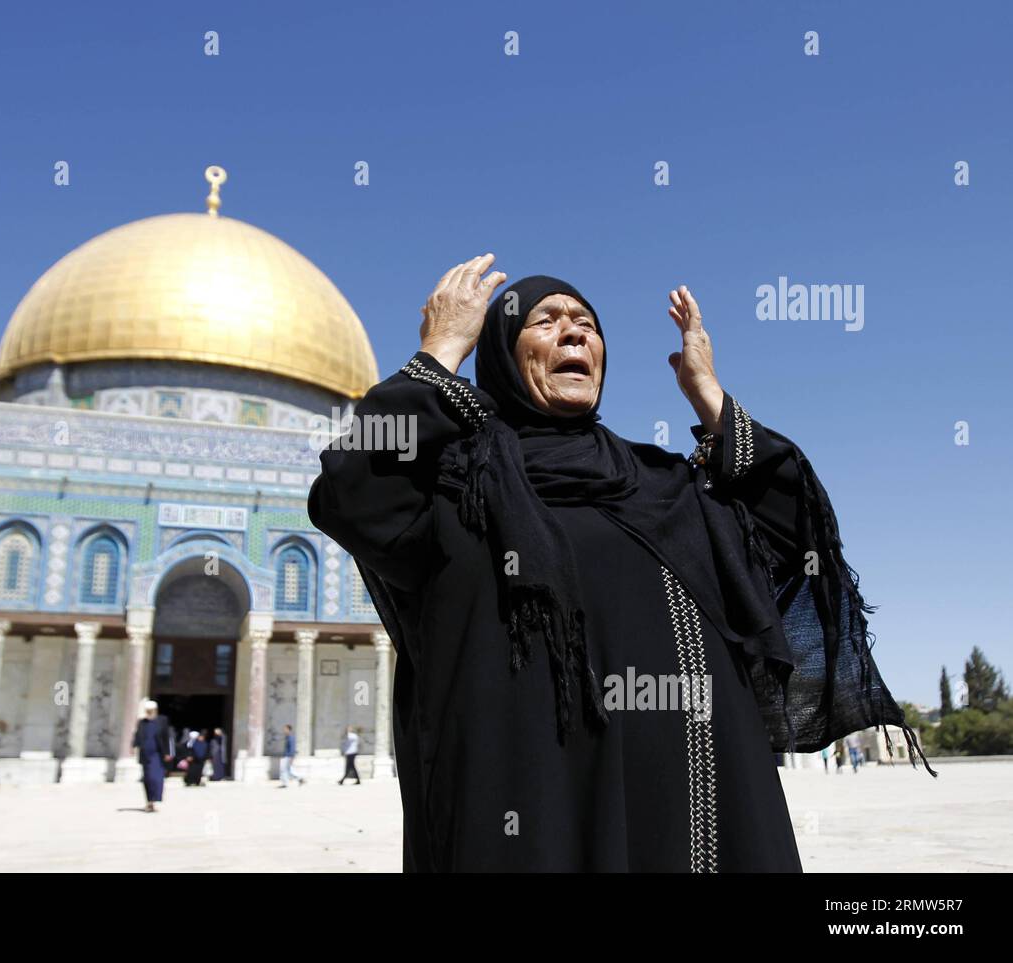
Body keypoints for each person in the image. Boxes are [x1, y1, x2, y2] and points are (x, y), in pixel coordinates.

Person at [308, 255, 935, 872]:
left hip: (695, 819)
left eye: (587, 322)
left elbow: (794, 520)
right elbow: (350, 490)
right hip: (532, 815)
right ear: (500, 348)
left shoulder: (665, 487)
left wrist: (708, 395)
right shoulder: (454, 488)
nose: (576, 331)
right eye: (547, 320)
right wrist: (442, 349)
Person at [131, 699, 173, 812]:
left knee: (157, 778)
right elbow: (137, 735)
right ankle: (150, 802)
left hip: (158, 755)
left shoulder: (162, 721)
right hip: (146, 755)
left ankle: (155, 799)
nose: (149, 713)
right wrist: (133, 746)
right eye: (147, 710)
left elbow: (166, 737)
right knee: (148, 779)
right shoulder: (142, 722)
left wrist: (168, 753)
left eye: (151, 710)